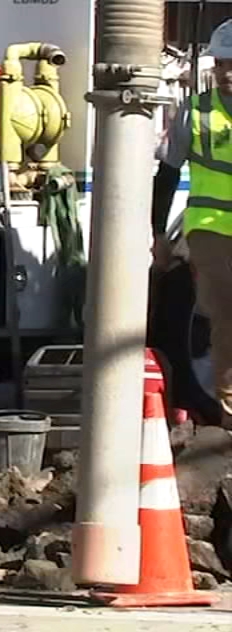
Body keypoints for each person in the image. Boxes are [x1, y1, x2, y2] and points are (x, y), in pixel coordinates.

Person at [152, 19, 232, 431]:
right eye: (221, 64)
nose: (227, 73)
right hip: (211, 230)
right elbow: (166, 175)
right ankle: (228, 420)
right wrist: (158, 236)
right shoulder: (197, 112)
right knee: (225, 319)